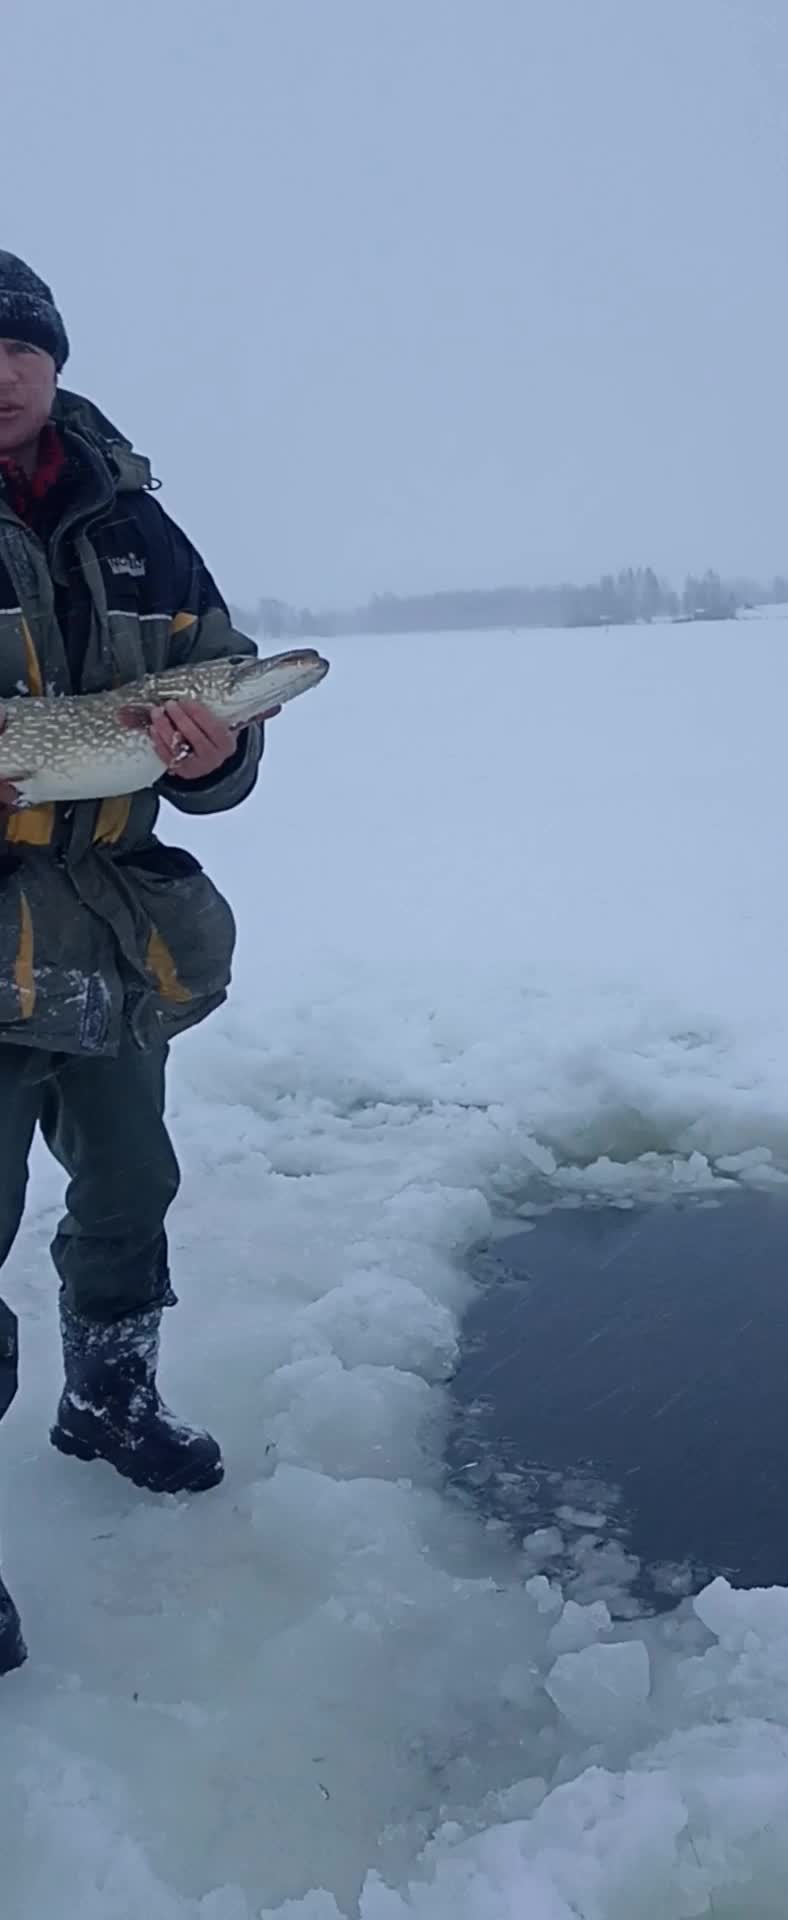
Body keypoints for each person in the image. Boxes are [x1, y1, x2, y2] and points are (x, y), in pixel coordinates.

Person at [0, 251, 276, 1674]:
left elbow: (220, 700)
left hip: (111, 934)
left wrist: (217, 752)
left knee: (128, 1191)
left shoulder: (136, 526)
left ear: (55, 360)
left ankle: (107, 1399)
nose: (3, 373)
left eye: (22, 347)